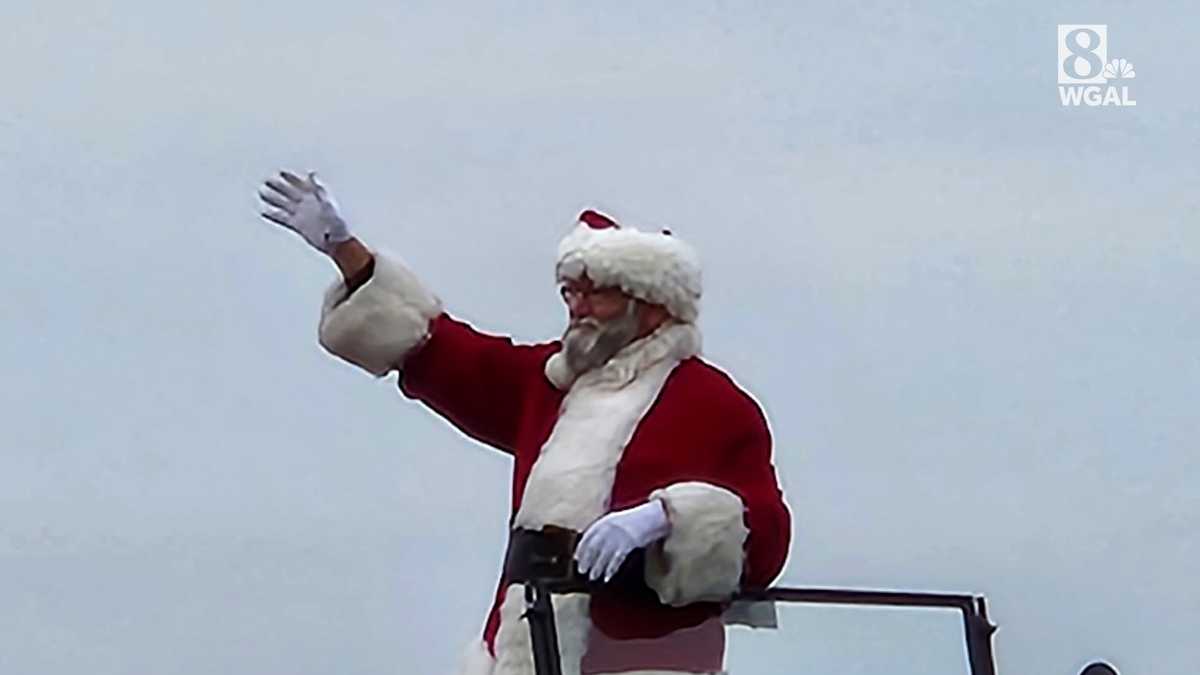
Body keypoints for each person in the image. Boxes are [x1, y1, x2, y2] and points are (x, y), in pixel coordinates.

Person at [258, 171, 792, 675]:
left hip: (640, 655)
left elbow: (764, 538)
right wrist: (345, 251)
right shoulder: (551, 384)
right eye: (570, 293)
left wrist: (666, 519)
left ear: (652, 304)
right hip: (527, 649)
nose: (577, 307)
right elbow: (442, 352)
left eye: (595, 293)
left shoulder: (714, 404)